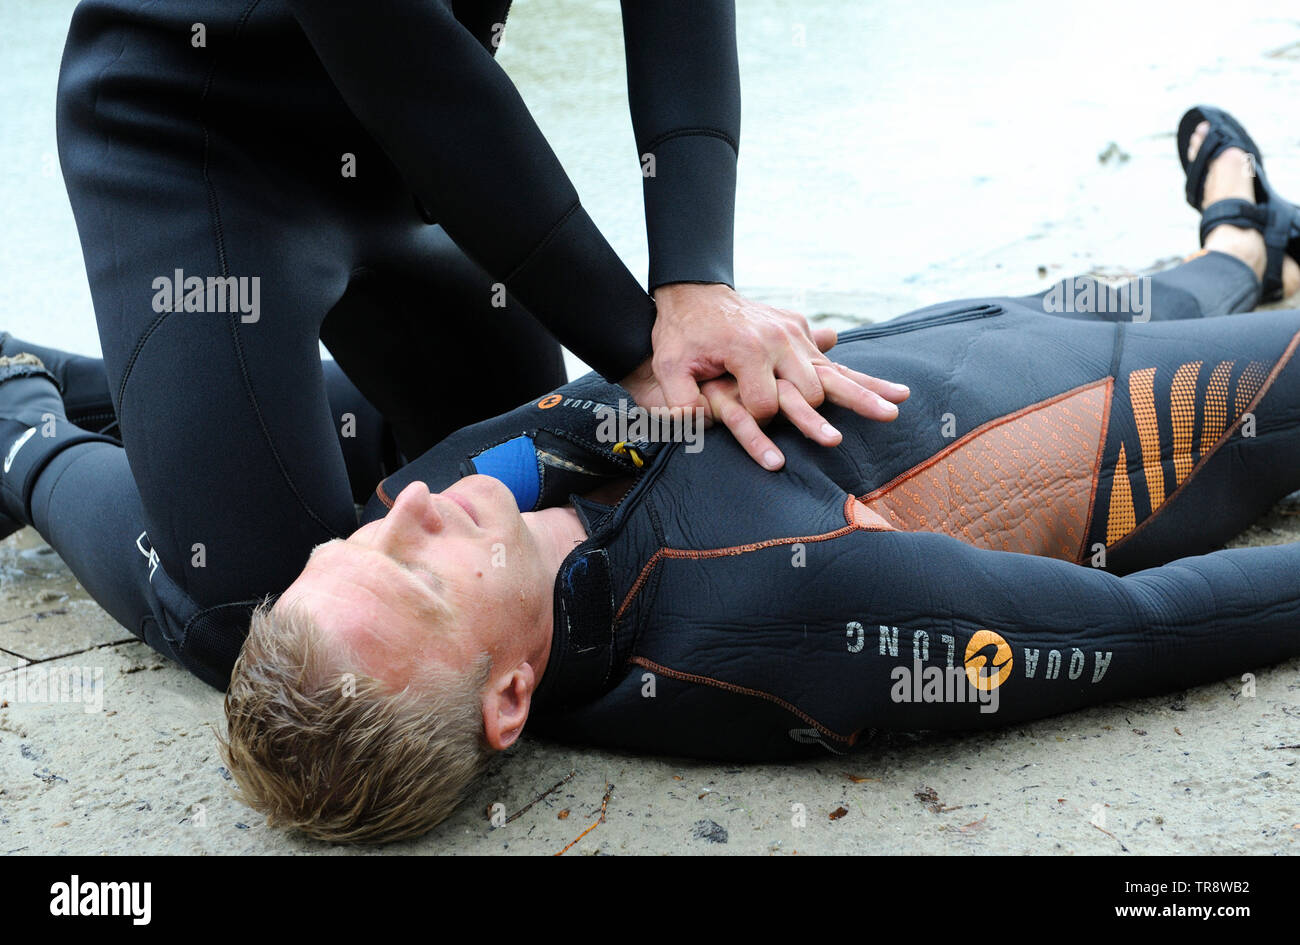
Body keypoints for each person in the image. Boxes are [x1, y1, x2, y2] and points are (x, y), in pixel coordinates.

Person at [4, 106, 1300, 843]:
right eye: (420, 570)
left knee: (1190, 277)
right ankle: (1248, 241)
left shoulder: (489, 509)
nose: (403, 503)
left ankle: (1241, 227)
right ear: (509, 701)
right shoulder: (767, 624)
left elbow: (593, 426)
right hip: (1149, 423)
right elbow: (1145, 628)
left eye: (350, 541)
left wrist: (697, 358)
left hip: (927, 340)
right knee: (1222, 333)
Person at [42, 0, 907, 688]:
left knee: (521, 470)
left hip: (406, 163)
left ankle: (131, 395)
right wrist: (638, 349)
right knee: (274, 623)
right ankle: (20, 417)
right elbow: (403, 61)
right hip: (198, 135)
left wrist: (694, 279)